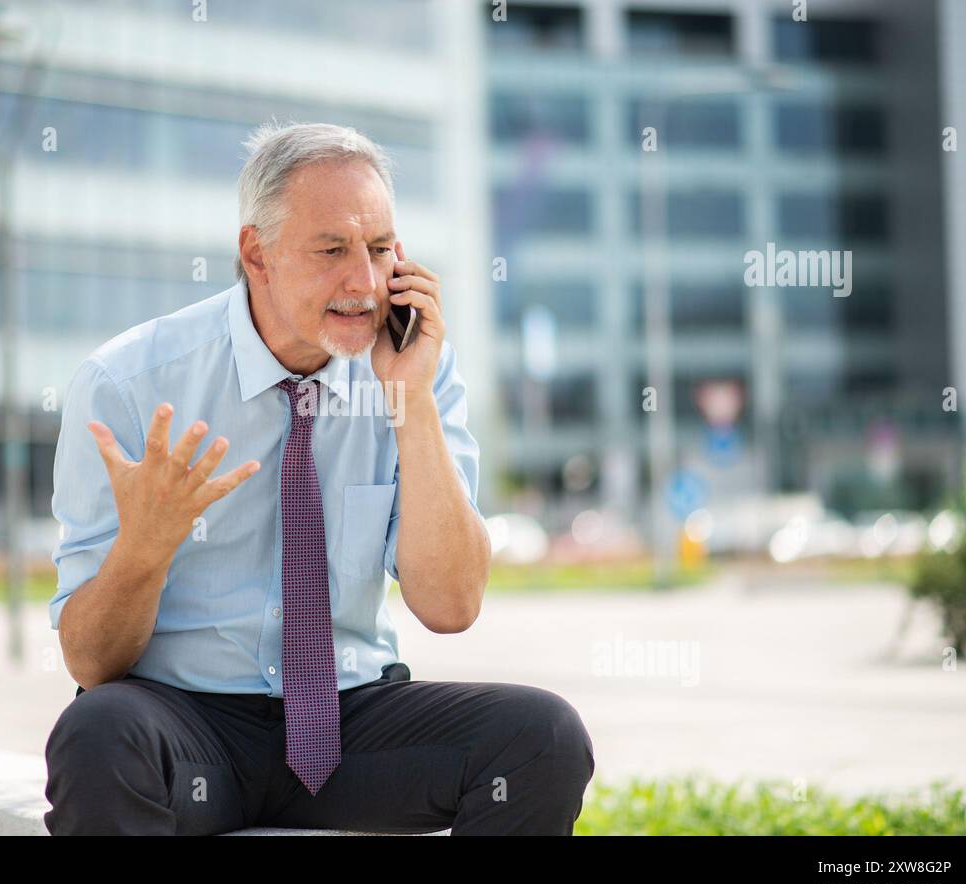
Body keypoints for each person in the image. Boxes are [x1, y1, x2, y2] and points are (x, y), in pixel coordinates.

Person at [42, 120, 594, 835]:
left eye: (379, 248)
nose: (364, 282)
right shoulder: (129, 385)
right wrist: (146, 546)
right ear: (257, 253)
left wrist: (411, 402)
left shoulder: (417, 370)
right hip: (188, 720)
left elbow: (452, 604)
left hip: (350, 720)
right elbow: (90, 656)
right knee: (96, 734)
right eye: (332, 250)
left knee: (542, 736)